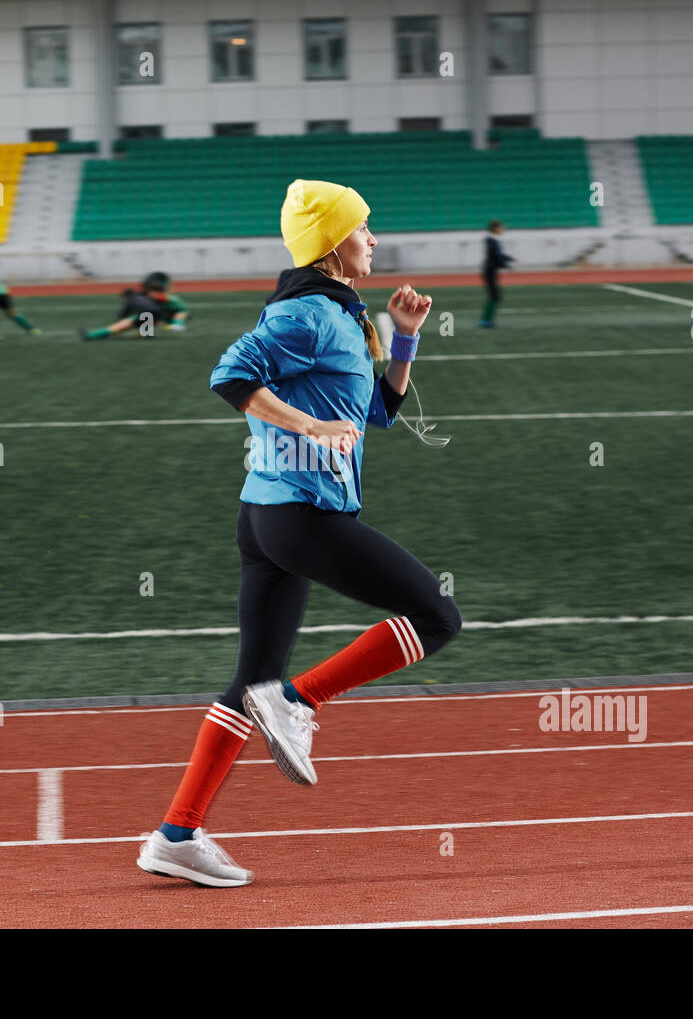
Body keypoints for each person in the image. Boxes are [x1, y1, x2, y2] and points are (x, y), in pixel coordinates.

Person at [135, 179, 462, 888]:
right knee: (436, 614)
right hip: (298, 516)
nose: (374, 238)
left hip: (268, 518)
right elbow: (230, 375)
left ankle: (177, 833)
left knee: (246, 680)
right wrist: (310, 425)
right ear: (332, 243)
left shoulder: (344, 314)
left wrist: (405, 336)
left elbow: (378, 410)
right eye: (364, 228)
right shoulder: (308, 312)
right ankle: (300, 698)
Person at [80, 272, 189, 340]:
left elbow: (181, 309)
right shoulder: (146, 297)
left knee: (181, 313)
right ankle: (91, 336)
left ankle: (177, 325)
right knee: (121, 326)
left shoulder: (167, 299)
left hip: (164, 318)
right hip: (151, 317)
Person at [480, 220, 514, 328]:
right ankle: (486, 321)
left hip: (490, 270)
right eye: (501, 227)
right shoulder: (491, 241)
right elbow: (495, 257)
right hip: (490, 271)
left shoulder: (492, 240)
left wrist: (508, 258)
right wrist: (506, 265)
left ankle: (486, 320)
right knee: (495, 296)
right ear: (495, 229)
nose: (502, 229)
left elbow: (498, 255)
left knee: (494, 296)